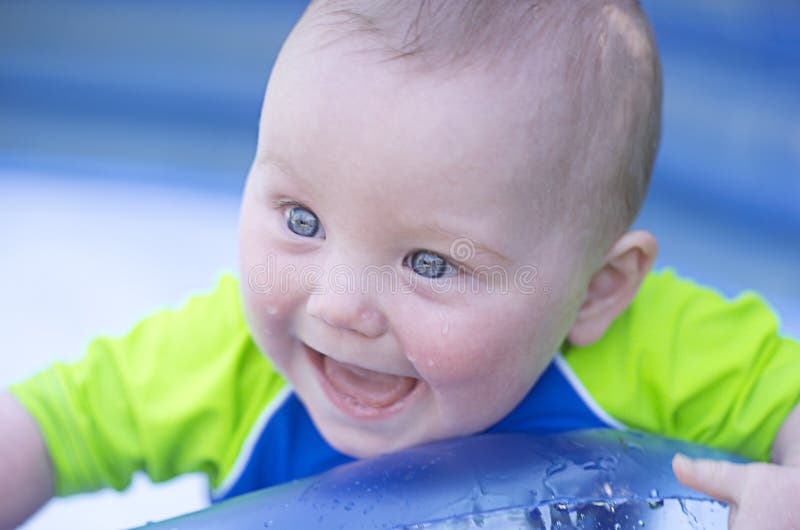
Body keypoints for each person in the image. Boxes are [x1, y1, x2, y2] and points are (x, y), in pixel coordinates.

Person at [2, 1, 798, 528]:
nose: (341, 305)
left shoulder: (655, 350)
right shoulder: (230, 364)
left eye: (429, 264)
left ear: (596, 292)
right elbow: (42, 429)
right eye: (303, 221)